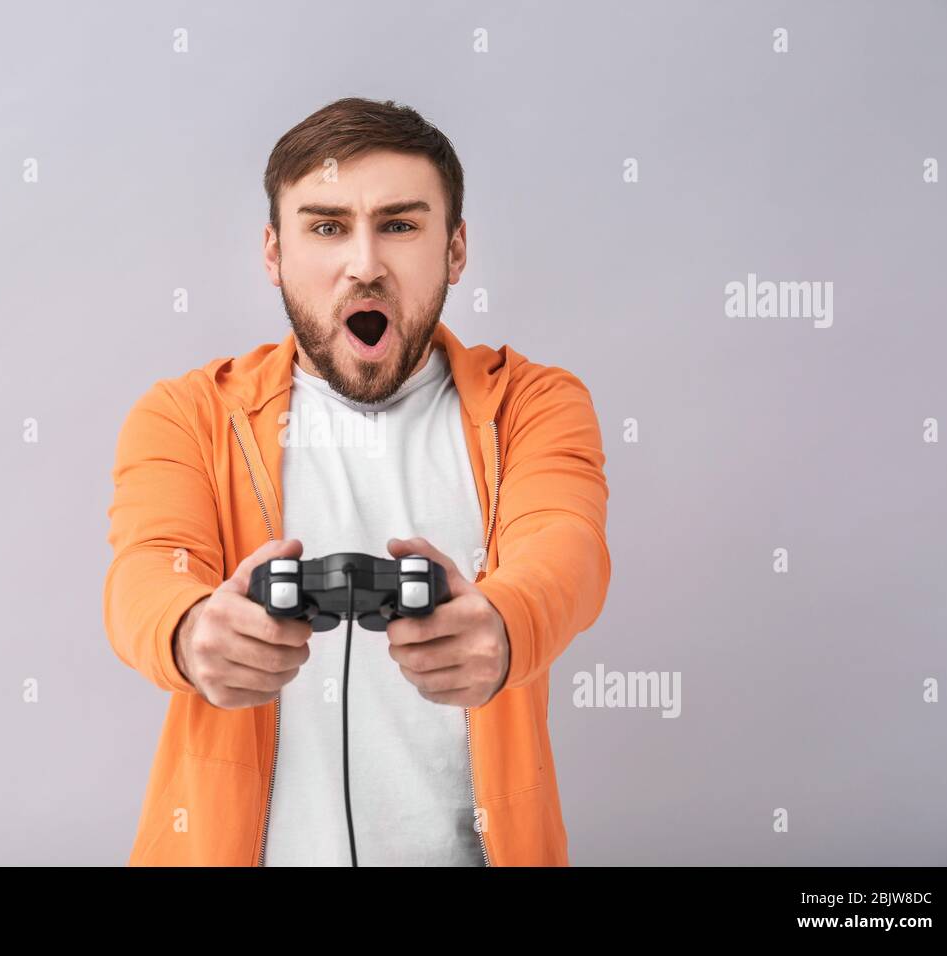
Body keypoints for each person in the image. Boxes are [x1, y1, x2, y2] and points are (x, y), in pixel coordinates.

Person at [103, 97, 611, 866]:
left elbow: (566, 550)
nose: (365, 263)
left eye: (401, 225)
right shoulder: (188, 413)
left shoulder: (534, 404)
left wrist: (506, 626)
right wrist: (189, 632)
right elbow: (143, 569)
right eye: (327, 226)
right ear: (274, 252)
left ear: (457, 250)